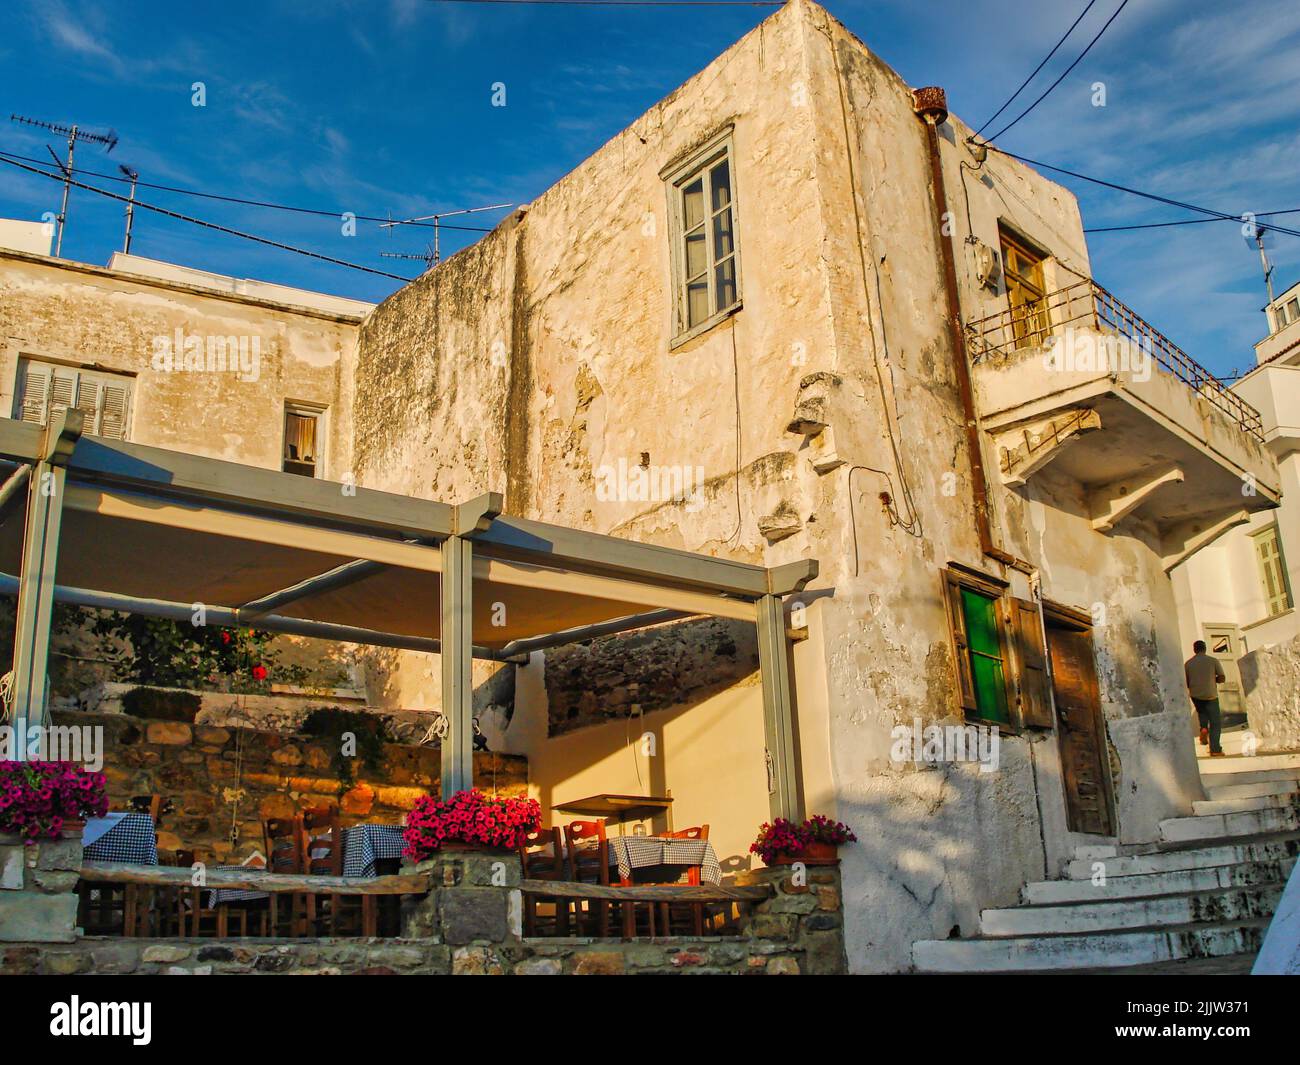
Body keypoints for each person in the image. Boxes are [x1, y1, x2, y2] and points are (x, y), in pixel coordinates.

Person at [1185, 640, 1226, 757]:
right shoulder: (1213, 661)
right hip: (1211, 694)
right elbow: (1222, 677)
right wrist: (1215, 680)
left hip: (1196, 695)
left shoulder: (1188, 664)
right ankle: (1215, 749)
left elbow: (1186, 682)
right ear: (1205, 648)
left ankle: (1203, 728)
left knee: (1202, 712)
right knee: (1215, 722)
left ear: (1194, 649)